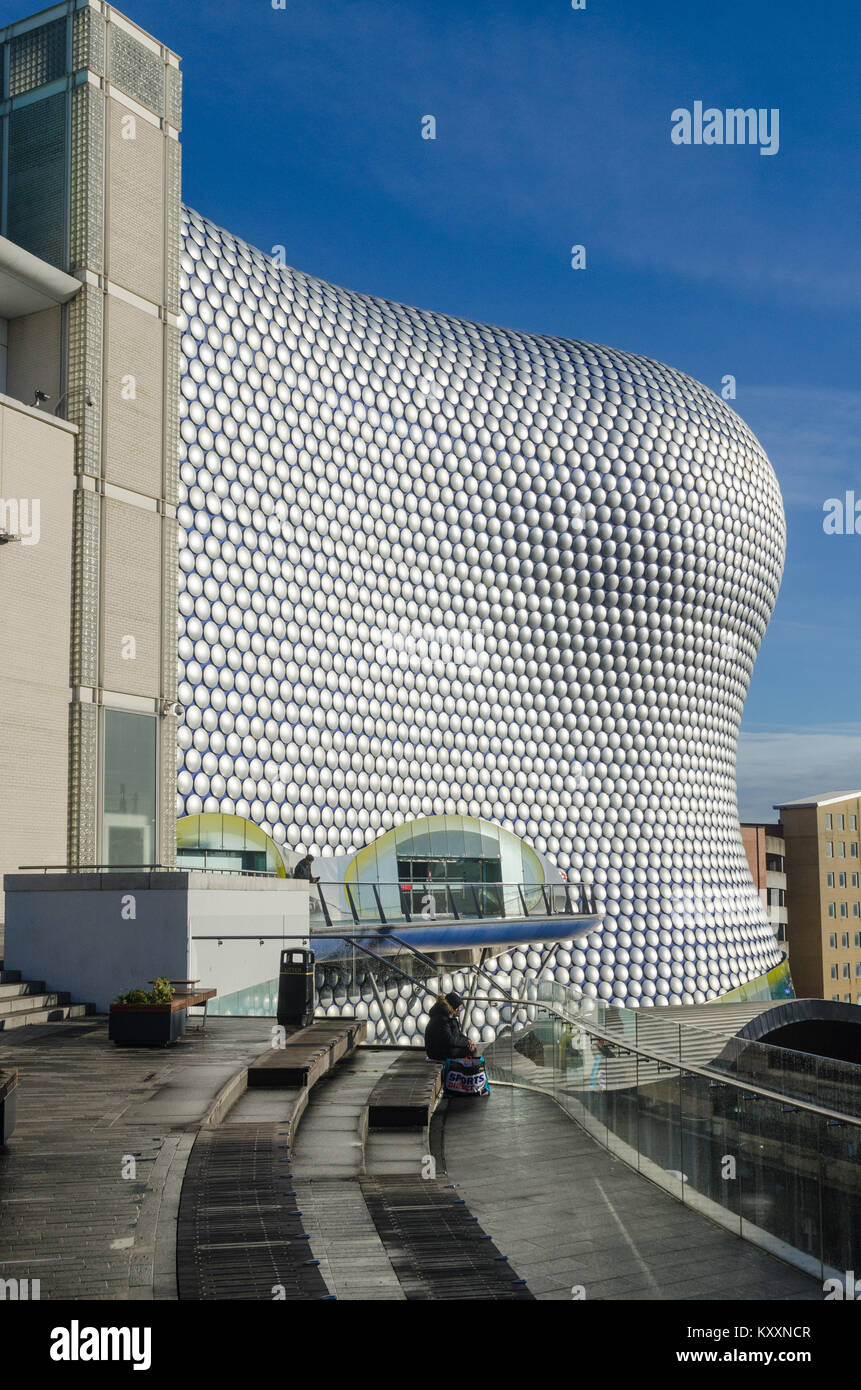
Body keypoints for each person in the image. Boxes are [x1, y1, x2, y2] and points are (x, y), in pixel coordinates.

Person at [424, 991, 475, 1061]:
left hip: (442, 1048)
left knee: (470, 1048)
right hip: (436, 1052)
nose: (459, 1010)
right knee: (469, 1051)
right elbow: (449, 1039)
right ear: (453, 1006)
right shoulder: (442, 1018)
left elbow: (458, 1033)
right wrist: (467, 1043)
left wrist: (468, 1040)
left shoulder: (448, 1016)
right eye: (458, 1008)